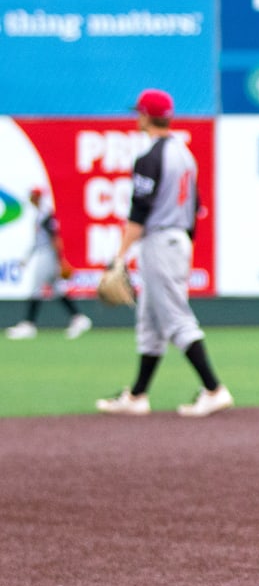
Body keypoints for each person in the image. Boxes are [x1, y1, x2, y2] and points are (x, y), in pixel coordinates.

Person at [95, 89, 233, 418]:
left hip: (160, 240)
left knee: (175, 319)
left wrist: (120, 256)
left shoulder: (150, 158)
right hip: (178, 238)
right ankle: (137, 396)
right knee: (150, 322)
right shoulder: (184, 153)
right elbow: (196, 206)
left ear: (145, 116)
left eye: (139, 113)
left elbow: (139, 212)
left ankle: (214, 389)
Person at [5, 187, 92, 340]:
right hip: (43, 253)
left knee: (36, 288)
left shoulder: (46, 215)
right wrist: (27, 258)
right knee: (57, 289)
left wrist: (61, 260)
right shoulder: (40, 214)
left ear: (38, 197)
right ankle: (79, 318)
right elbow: (37, 241)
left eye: (33, 196)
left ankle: (29, 324)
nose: (31, 199)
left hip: (48, 255)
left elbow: (55, 239)